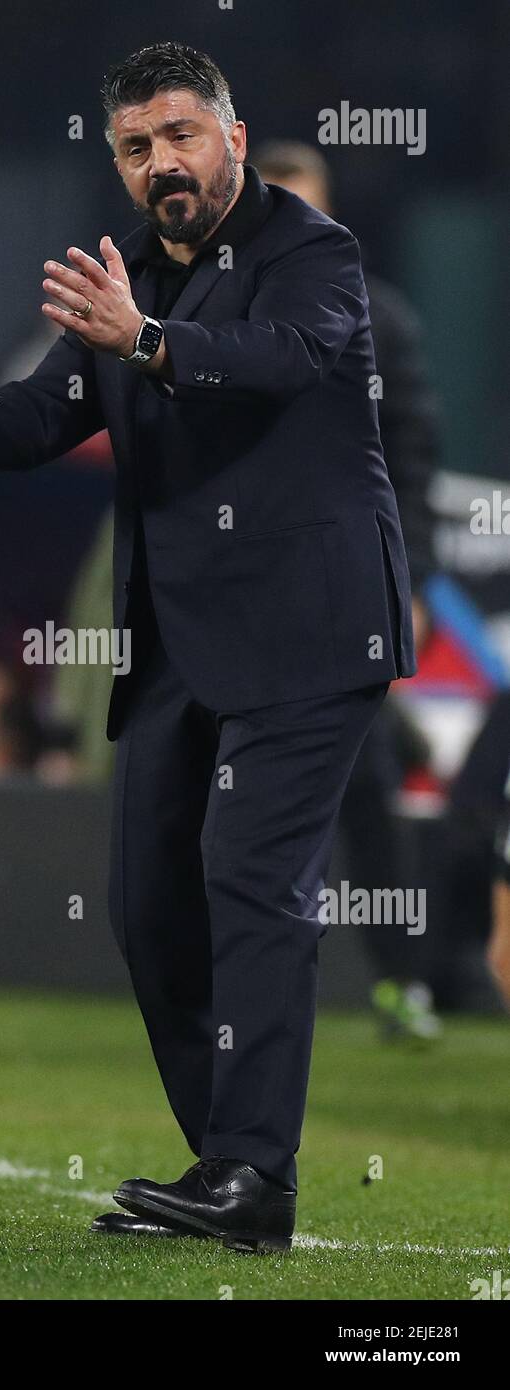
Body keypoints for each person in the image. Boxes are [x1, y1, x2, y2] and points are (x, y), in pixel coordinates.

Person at [0, 41, 416, 1252]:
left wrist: (147, 339)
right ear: (115, 162)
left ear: (230, 135)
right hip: (177, 646)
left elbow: (282, 362)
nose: (161, 161)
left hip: (310, 629)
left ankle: (251, 1172)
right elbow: (47, 414)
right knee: (149, 909)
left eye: (178, 135)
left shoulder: (308, 252)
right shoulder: (127, 282)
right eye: (134, 145)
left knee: (249, 879)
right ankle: (230, 1171)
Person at [251, 141, 443, 1039]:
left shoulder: (383, 319)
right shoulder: (225, 304)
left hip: (346, 580)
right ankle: (232, 986)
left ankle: (403, 976)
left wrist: (411, 577)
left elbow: (411, 460)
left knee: (360, 777)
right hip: (247, 580)